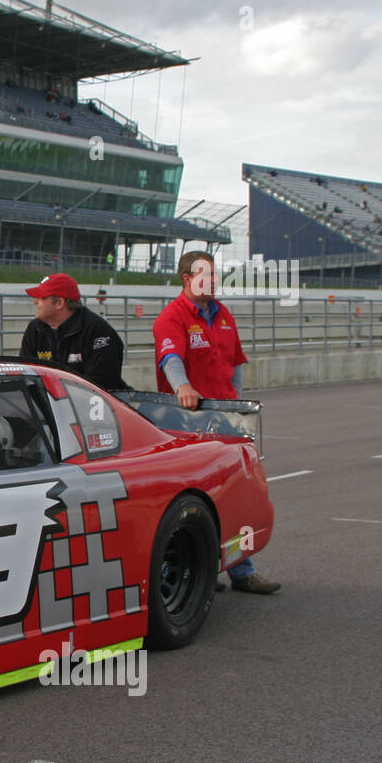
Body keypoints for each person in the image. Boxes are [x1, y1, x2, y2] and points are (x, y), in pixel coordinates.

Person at [153, 250, 280, 594]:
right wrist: (183, 386)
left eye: (214, 275)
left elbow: (235, 361)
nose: (213, 281)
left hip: (225, 421)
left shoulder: (223, 314)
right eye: (205, 276)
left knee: (235, 494)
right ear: (186, 279)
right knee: (194, 499)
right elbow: (170, 358)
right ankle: (200, 571)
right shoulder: (172, 317)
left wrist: (235, 403)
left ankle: (241, 570)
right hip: (187, 421)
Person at [18, 273, 129, 391]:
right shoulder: (35, 329)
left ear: (59, 303)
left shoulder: (98, 331)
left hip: (93, 405)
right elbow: (26, 374)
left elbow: (101, 385)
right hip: (53, 403)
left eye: (41, 297)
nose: (35, 302)